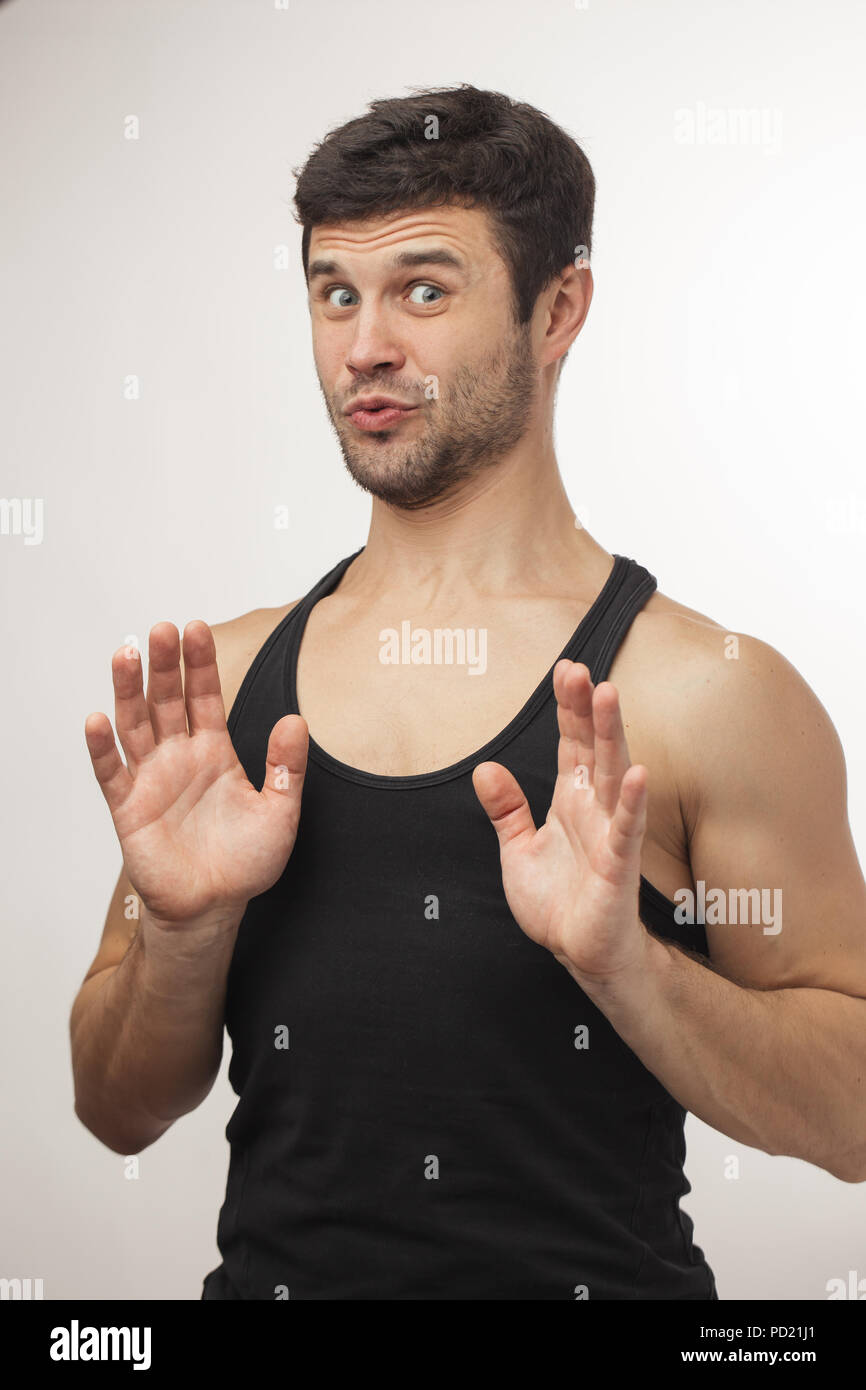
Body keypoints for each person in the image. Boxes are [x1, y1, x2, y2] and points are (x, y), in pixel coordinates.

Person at [70, 85, 866, 1301]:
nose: (363, 346)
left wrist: (625, 966)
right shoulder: (224, 685)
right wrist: (183, 931)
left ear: (559, 309)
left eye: (422, 291)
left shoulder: (705, 693)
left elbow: (854, 1118)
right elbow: (113, 1110)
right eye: (335, 292)